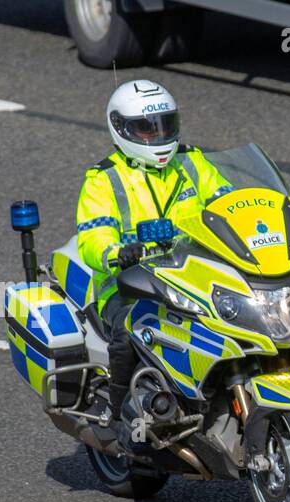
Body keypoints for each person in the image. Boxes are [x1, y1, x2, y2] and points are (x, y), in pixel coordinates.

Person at [75, 79, 233, 437]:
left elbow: (230, 203)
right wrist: (117, 253)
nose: (157, 135)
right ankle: (118, 416)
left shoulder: (192, 163)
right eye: (146, 128)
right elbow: (92, 238)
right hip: (128, 284)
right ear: (120, 128)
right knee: (130, 327)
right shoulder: (104, 180)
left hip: (193, 274)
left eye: (164, 125)